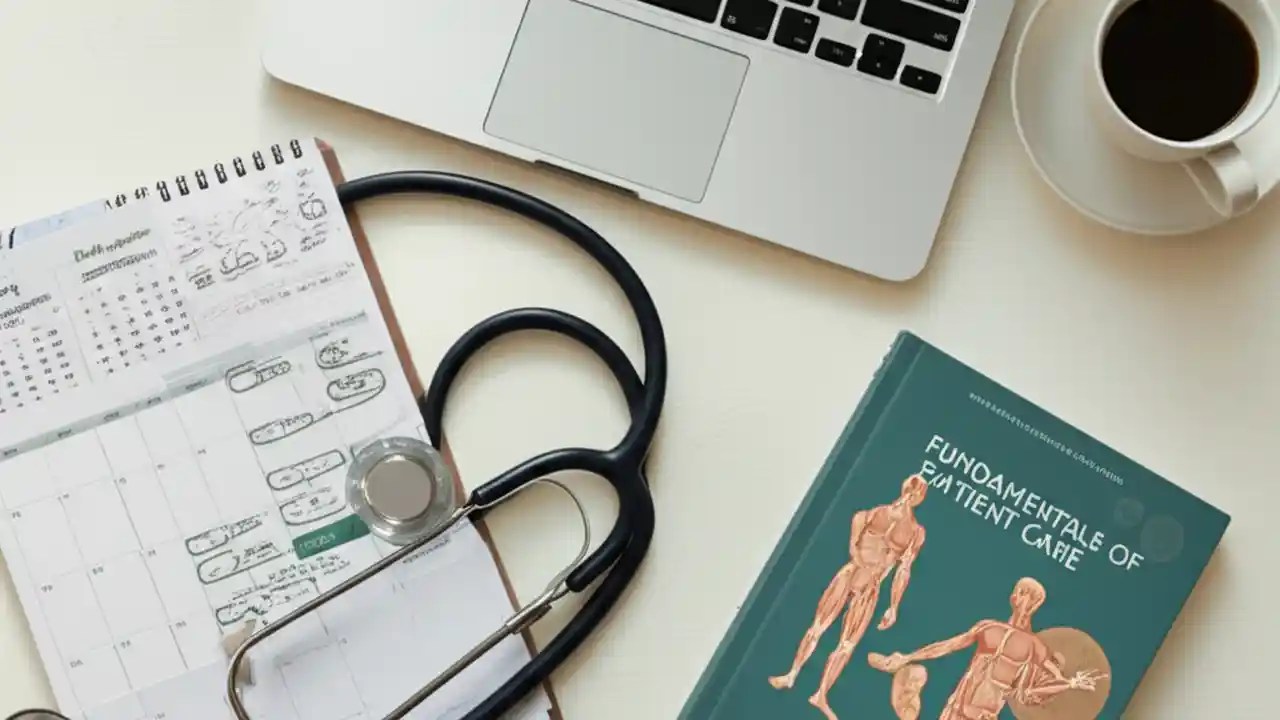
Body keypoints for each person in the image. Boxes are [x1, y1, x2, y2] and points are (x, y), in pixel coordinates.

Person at [768, 474, 929, 720]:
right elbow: (855, 546)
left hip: (870, 588)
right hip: (850, 575)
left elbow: (903, 570)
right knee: (818, 627)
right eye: (911, 489)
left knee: (847, 644)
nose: (913, 494)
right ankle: (792, 675)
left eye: (918, 492)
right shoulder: (869, 515)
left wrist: (893, 606)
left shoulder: (915, 533)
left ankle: (821, 694)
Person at [867, 577, 1107, 720]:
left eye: (1030, 596)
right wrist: (908, 656)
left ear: (1035, 604)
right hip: (957, 708)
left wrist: (1069, 683)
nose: (1023, 598)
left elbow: (1034, 689)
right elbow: (949, 645)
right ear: (1013, 596)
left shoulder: (1034, 646)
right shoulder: (988, 627)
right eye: (1021, 592)